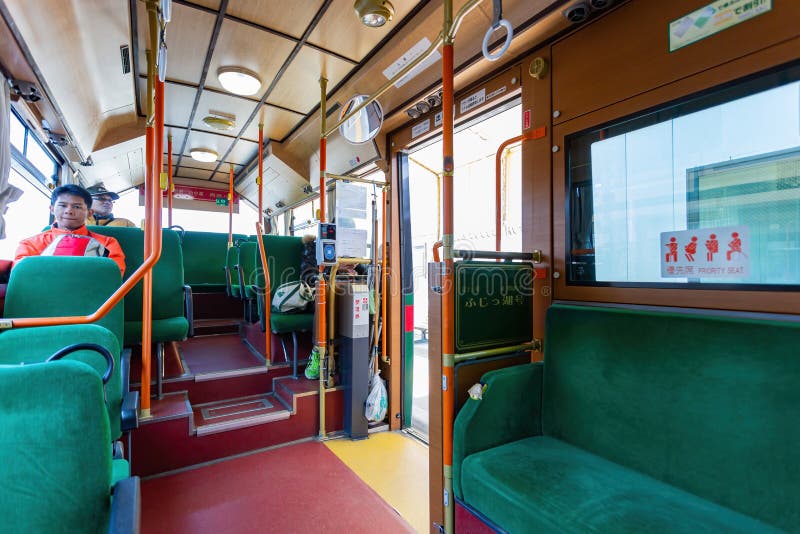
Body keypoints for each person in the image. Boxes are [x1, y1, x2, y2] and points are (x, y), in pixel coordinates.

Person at [15, 184, 125, 275]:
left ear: (89, 213)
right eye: (63, 205)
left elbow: (113, 277)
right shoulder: (29, 244)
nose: (69, 211)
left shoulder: (108, 243)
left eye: (77, 207)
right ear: (52, 209)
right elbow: (22, 276)